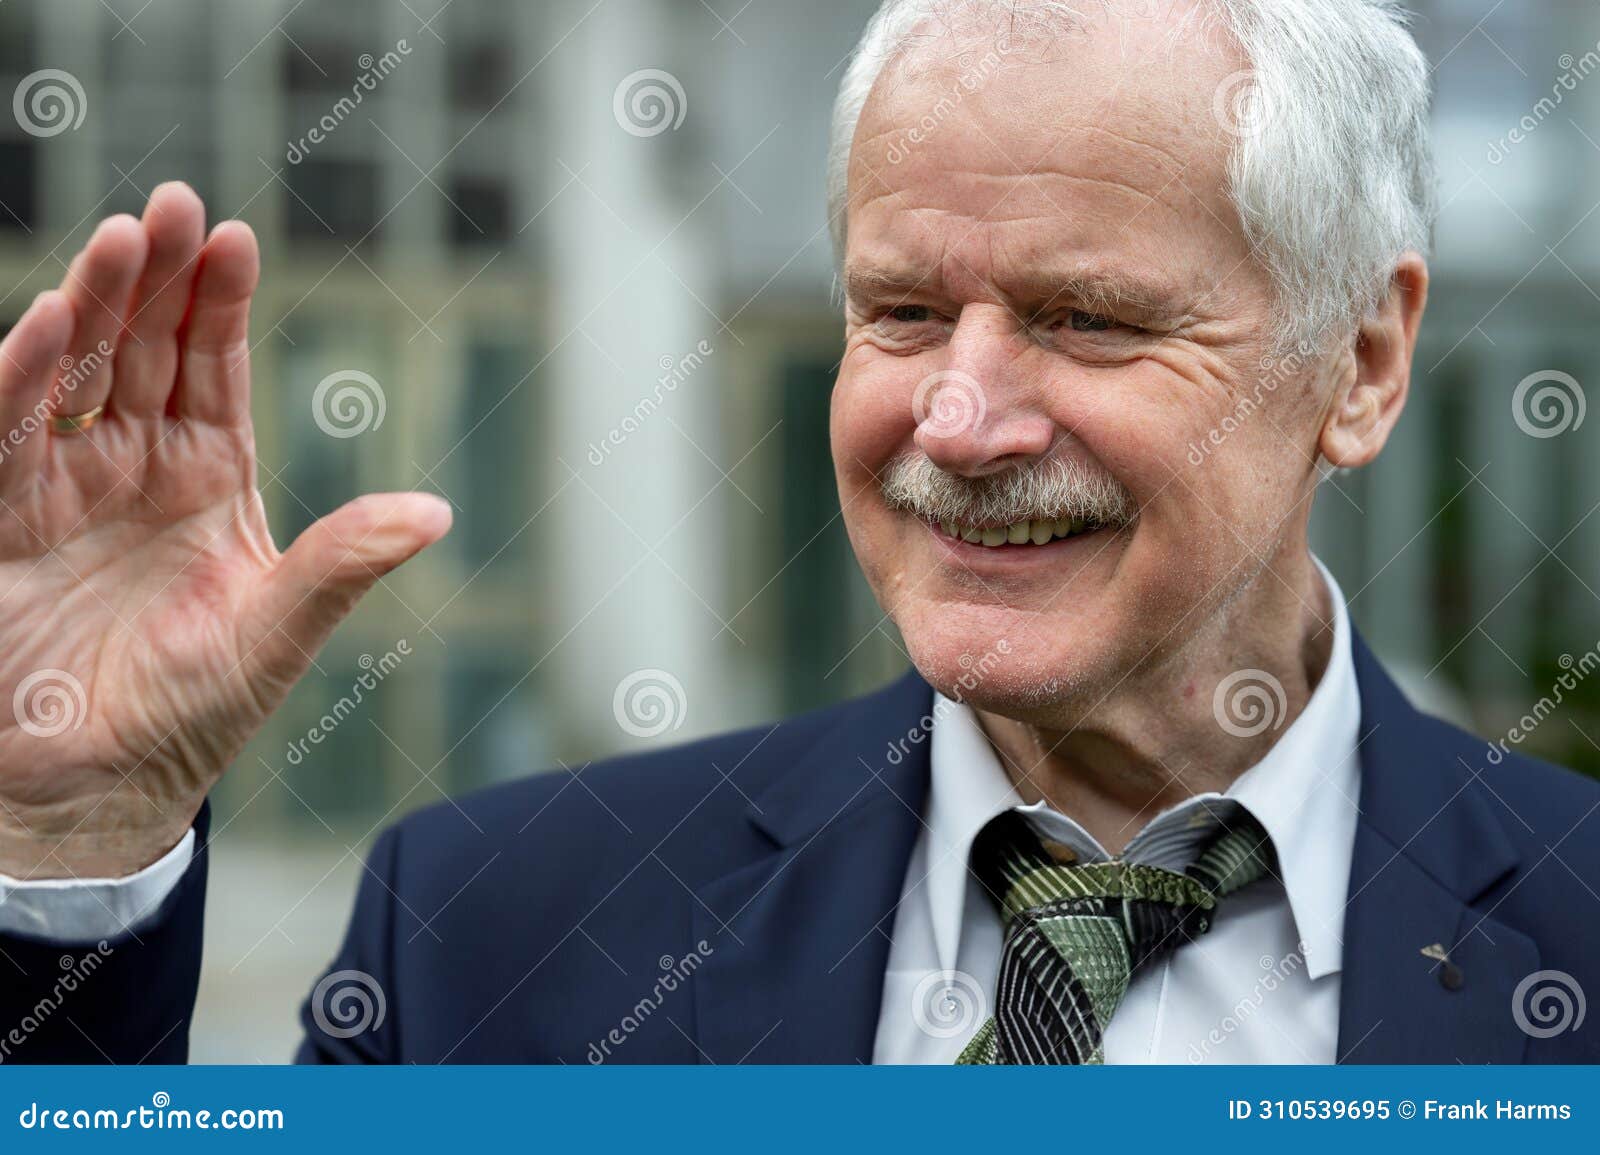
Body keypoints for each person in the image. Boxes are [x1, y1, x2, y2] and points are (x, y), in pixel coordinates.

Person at [1, 0, 1595, 1065]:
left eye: (1088, 319)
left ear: (1363, 367)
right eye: (901, 310)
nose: (958, 421)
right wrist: (72, 842)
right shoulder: (491, 930)